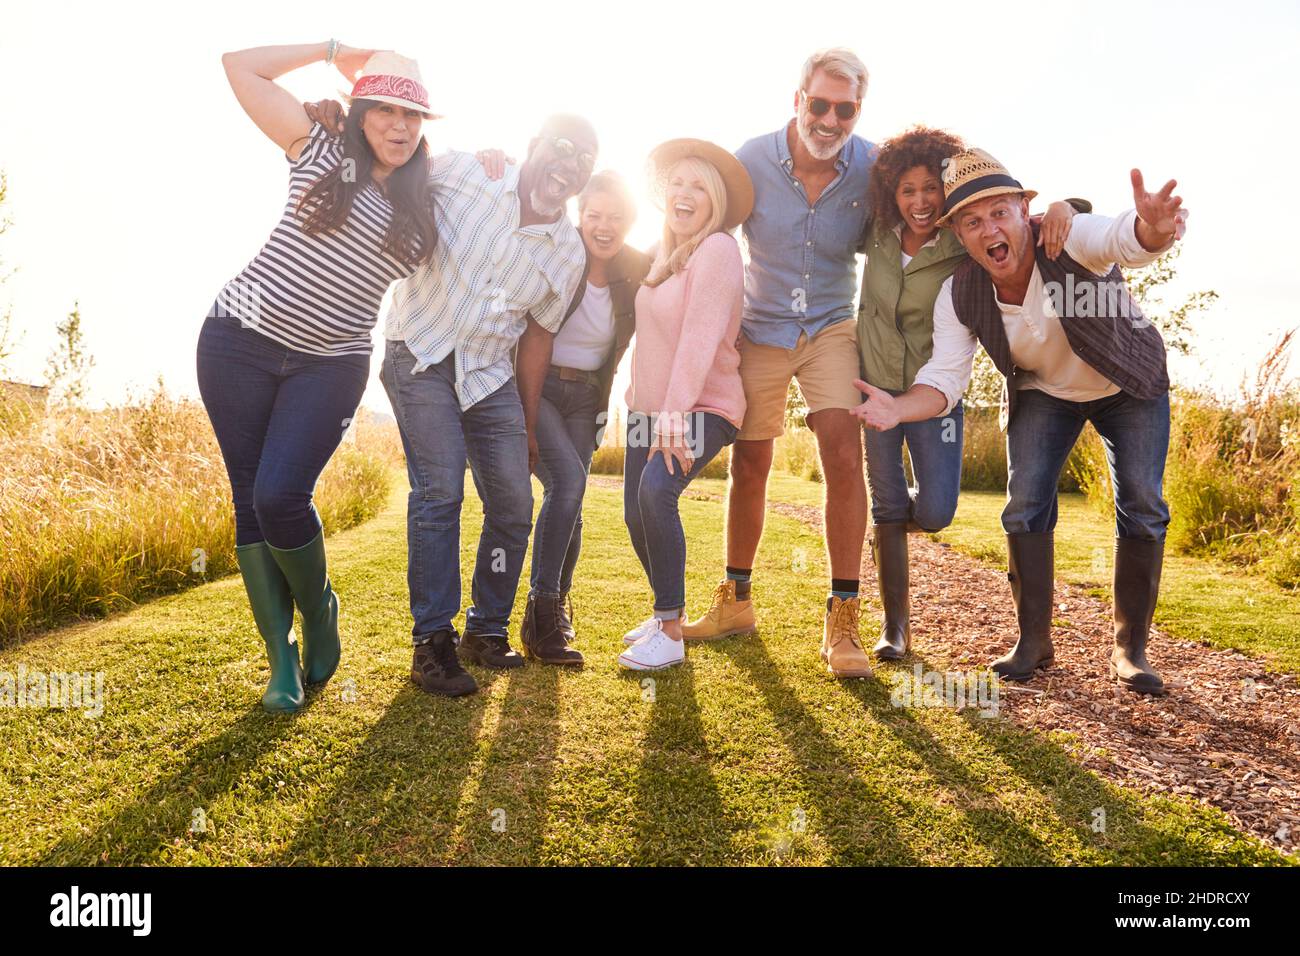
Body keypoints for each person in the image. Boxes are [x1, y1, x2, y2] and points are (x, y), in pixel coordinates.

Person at [855, 148, 1187, 695]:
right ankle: (1033, 642)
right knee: (1025, 504)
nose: (989, 228)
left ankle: (1131, 650)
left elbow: (1124, 240)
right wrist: (896, 408)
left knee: (1144, 504)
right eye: (972, 221)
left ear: (1023, 212)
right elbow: (943, 378)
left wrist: (1151, 228)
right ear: (959, 235)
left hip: (1129, 385)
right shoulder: (959, 291)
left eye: (1000, 212)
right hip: (1043, 392)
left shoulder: (1067, 236)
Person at [199, 42, 439, 713]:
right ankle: (282, 663)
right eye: (385, 110)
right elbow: (237, 66)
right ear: (361, 114)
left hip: (329, 364)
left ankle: (320, 610)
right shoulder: (320, 147)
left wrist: (497, 161)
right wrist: (332, 51)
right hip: (235, 343)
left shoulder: (429, 203)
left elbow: (495, 200)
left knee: (281, 495)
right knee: (249, 500)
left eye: (413, 115)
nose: (399, 125)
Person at [377, 114, 596, 694]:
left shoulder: (567, 251)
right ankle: (432, 642)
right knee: (441, 489)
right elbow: (399, 164)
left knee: (513, 503)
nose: (570, 165)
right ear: (534, 147)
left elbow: (538, 337)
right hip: (418, 351)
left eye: (585, 160)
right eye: (563, 148)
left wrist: (525, 424)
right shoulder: (472, 173)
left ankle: (486, 629)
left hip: (489, 373)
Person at [682, 47, 877, 680]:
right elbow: (707, 226)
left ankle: (844, 616)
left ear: (856, 111)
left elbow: (940, 195)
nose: (829, 119)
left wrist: (1050, 209)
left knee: (844, 456)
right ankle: (736, 600)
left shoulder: (872, 165)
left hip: (831, 326)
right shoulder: (750, 160)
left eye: (844, 109)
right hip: (761, 328)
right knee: (752, 459)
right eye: (818, 104)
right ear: (797, 100)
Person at [856, 127, 1084, 660]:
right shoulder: (876, 234)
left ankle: (888, 527)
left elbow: (1018, 220)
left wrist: (1065, 205)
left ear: (946, 193)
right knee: (888, 501)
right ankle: (896, 627)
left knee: (936, 510)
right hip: (872, 385)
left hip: (935, 389)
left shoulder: (964, 238)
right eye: (906, 190)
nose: (918, 202)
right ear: (892, 192)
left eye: (928, 190)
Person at [617, 140, 752, 671]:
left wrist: (672, 417)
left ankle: (671, 633)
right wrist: (640, 410)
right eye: (677, 182)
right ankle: (661, 612)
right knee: (634, 513)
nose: (685, 193)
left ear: (714, 202)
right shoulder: (663, 254)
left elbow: (698, 341)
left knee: (657, 492)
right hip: (646, 412)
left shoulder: (717, 250)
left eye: (699, 186)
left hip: (705, 407)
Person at [519, 172, 650, 655]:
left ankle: (554, 609)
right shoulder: (559, 253)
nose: (604, 225)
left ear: (631, 221)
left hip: (589, 397)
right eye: (594, 215)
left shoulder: (638, 268)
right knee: (567, 486)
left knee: (571, 507)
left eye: (616, 217)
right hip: (542, 386)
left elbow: (680, 289)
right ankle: (542, 611)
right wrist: (528, 419)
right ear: (580, 216)